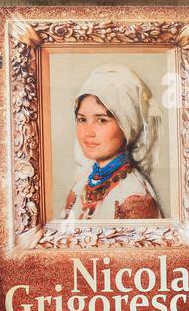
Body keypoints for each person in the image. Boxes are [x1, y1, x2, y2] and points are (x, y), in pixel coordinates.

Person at [61, 64, 163, 221]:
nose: (88, 132)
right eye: (82, 120)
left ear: (127, 126)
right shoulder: (80, 188)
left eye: (101, 120)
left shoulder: (135, 200)